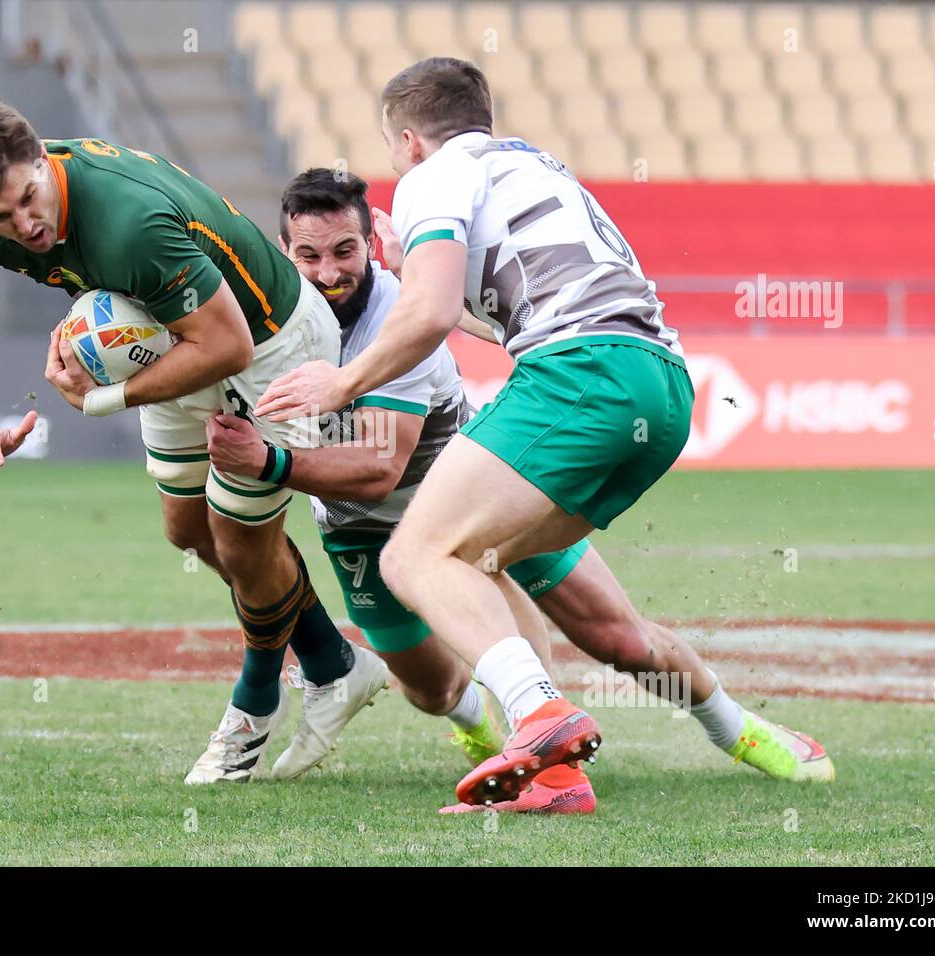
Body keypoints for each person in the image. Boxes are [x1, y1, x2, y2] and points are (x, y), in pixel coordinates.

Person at [255, 61, 833, 807]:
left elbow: (427, 316)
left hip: (577, 377)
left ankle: (536, 719)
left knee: (416, 555)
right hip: (657, 384)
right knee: (581, 615)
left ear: (408, 139)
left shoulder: (432, 176)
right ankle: (712, 737)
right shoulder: (533, 164)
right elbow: (496, 313)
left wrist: (339, 383)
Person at [0, 98, 386, 787]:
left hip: (274, 341)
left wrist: (103, 398)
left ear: (42, 159)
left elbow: (228, 343)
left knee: (239, 536)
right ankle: (335, 665)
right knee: (188, 531)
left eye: (28, 198)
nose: (25, 226)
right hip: (174, 333)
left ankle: (254, 709)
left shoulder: (127, 220)